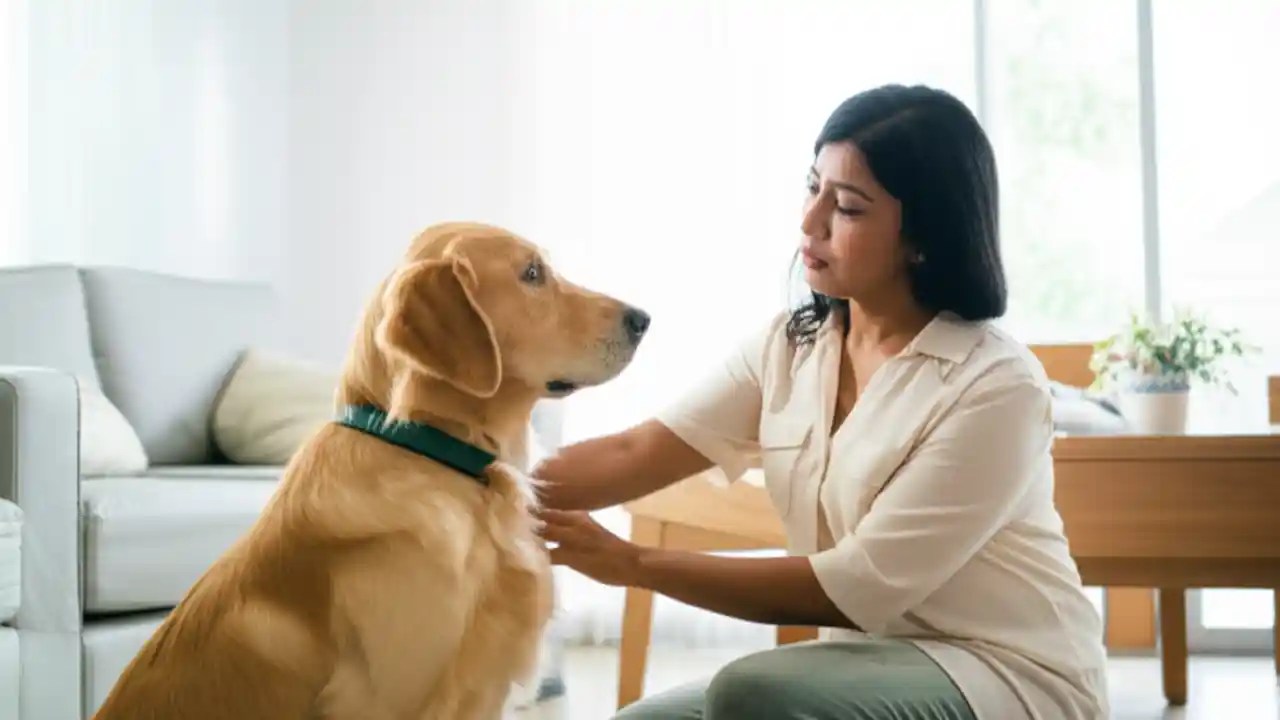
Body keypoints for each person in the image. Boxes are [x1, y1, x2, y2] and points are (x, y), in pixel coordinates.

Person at [533, 84, 1109, 720]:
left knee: (750, 695)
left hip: (1005, 676)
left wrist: (632, 563)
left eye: (849, 208)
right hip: (863, 665)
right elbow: (637, 451)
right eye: (813, 188)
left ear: (922, 235)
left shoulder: (998, 387)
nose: (811, 222)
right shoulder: (793, 346)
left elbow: (851, 588)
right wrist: (465, 472)